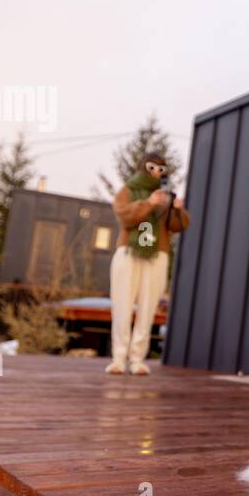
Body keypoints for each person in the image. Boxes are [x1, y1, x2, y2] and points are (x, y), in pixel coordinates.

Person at [107, 153, 191, 374]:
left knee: (148, 307)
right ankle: (118, 357)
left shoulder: (167, 196)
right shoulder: (129, 190)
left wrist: (177, 209)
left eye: (161, 169)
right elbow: (125, 216)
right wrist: (148, 203)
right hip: (128, 251)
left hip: (157, 254)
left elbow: (178, 226)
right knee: (122, 305)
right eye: (152, 167)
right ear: (143, 167)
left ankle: (137, 359)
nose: (156, 172)